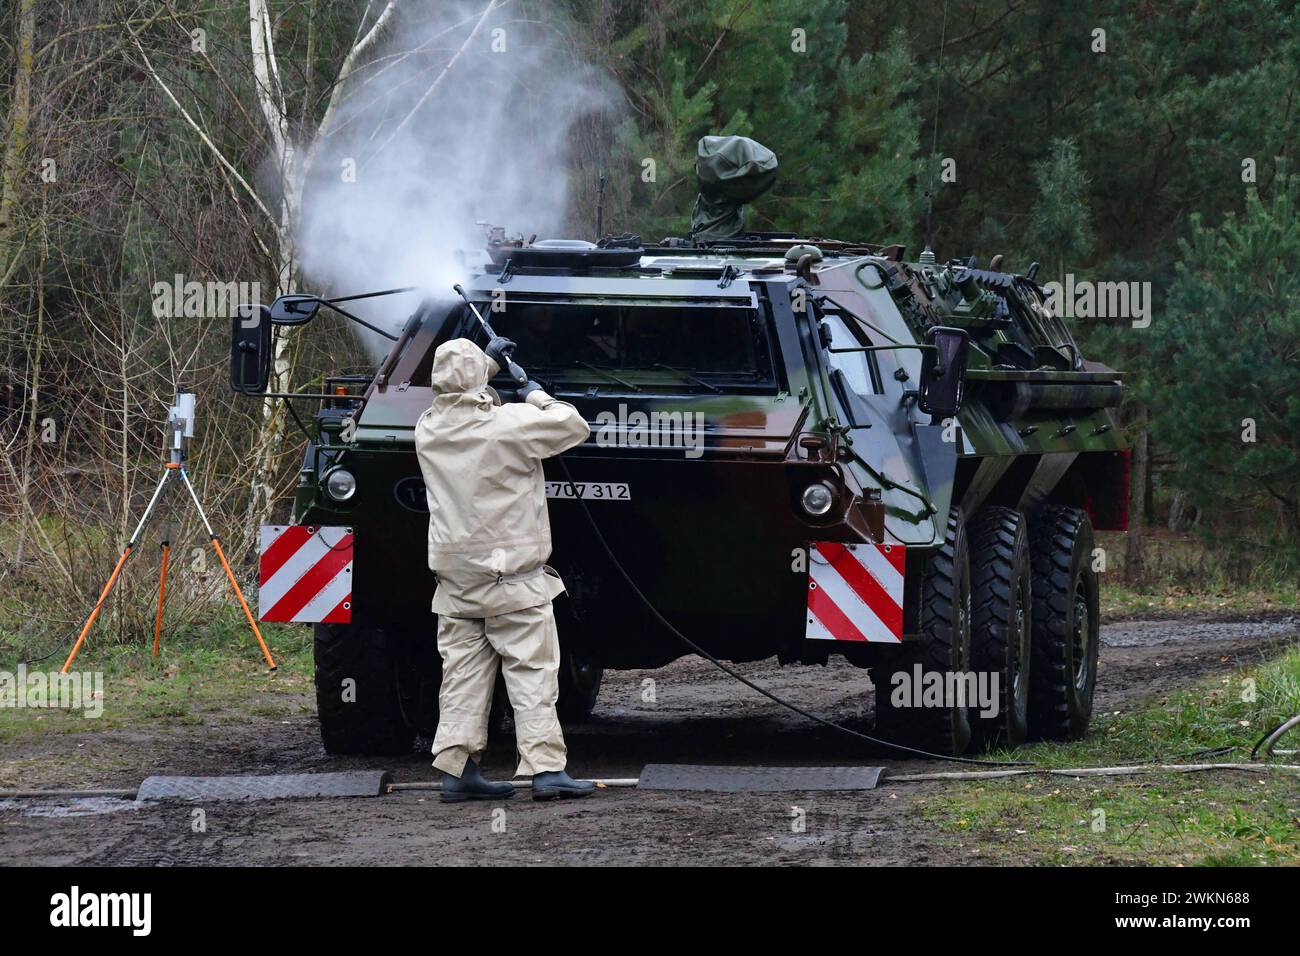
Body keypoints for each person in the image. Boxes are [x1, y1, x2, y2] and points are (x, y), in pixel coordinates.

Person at [415, 335, 595, 802]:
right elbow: (572, 424)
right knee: (532, 674)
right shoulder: (510, 425)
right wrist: (534, 391)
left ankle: (457, 774)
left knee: (461, 678)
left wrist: (487, 367)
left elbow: (457, 397)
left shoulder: (428, 428)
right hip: (513, 582)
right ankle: (546, 771)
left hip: (456, 584)